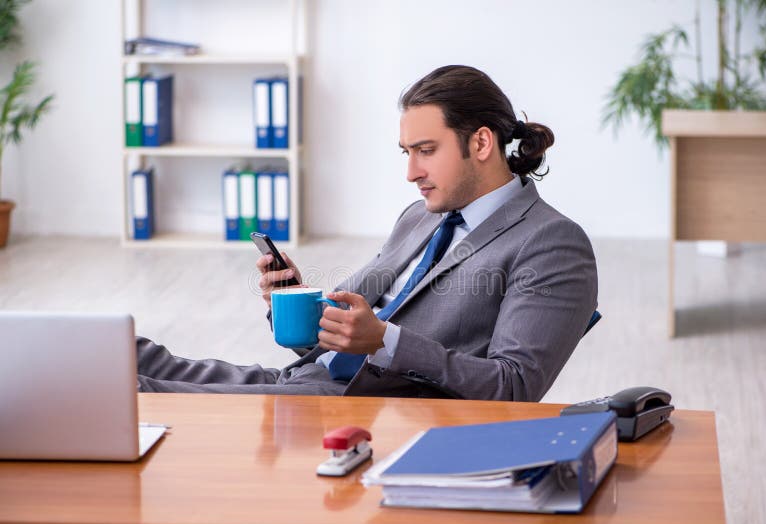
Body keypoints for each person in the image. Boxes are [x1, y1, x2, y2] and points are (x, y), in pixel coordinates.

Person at [137, 65, 598, 401]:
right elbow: (340, 335)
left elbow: (515, 386)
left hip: (366, 406)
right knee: (132, 355)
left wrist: (385, 341)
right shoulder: (418, 217)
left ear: (480, 142)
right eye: (406, 153)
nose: (411, 172)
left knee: (141, 392)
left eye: (426, 150)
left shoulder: (552, 243)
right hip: (306, 380)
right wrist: (296, 304)